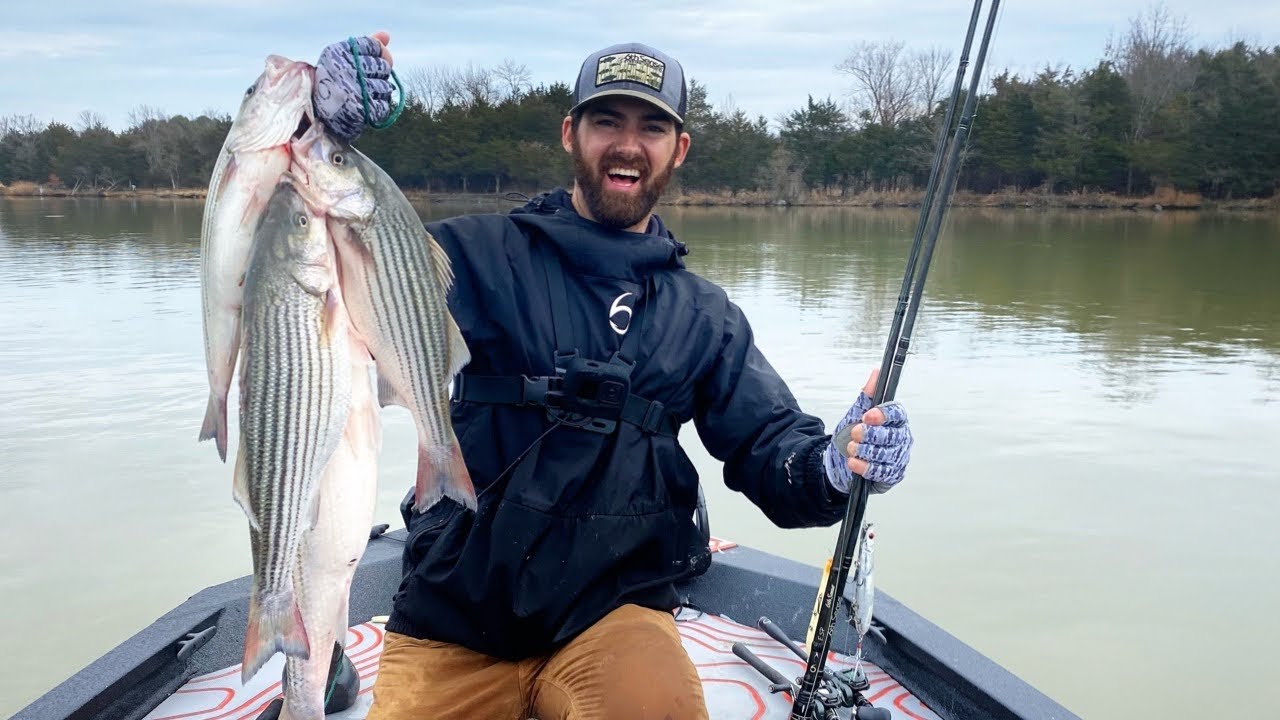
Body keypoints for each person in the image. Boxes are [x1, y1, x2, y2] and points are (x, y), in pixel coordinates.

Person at [312, 34, 915, 720]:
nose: (628, 145)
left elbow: (772, 450)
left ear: (678, 148)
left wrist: (837, 465)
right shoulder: (472, 255)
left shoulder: (705, 316)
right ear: (572, 133)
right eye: (607, 122)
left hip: (615, 614)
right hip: (453, 617)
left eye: (652, 126)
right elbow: (325, 259)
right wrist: (324, 131)